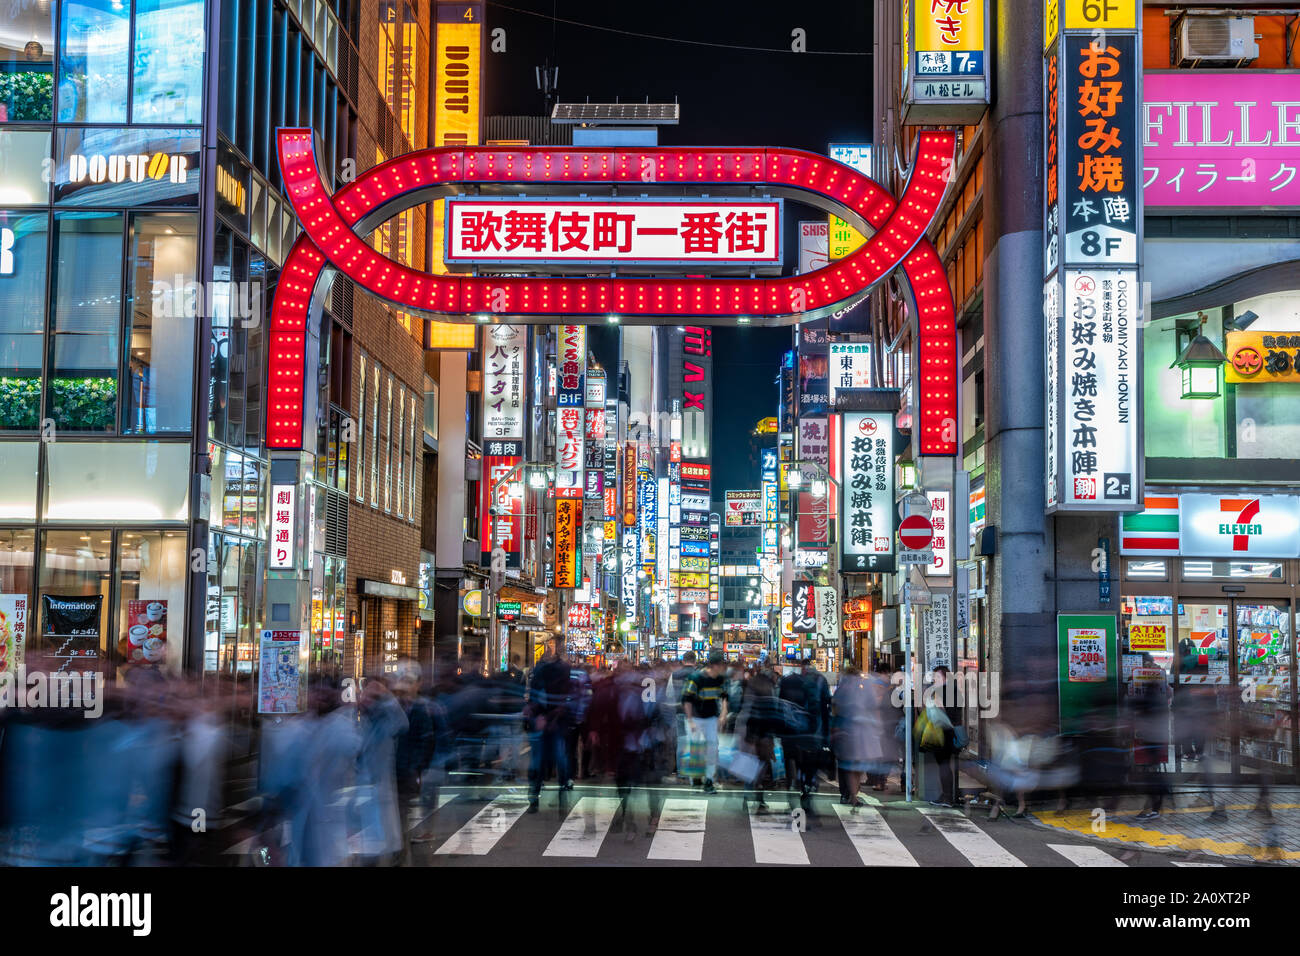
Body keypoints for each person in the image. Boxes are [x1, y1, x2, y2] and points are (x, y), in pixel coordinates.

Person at [525, 639, 572, 812]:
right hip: (547, 719)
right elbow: (536, 695)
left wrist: (542, 715)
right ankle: (538, 795)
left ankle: (544, 794)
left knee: (551, 758)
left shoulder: (558, 669)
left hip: (551, 720)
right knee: (544, 759)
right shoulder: (547, 669)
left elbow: (563, 696)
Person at [681, 650, 729, 793]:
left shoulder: (720, 679)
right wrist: (690, 721)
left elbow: (724, 696)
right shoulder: (696, 678)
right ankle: (695, 777)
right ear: (715, 665)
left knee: (713, 747)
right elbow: (687, 700)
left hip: (710, 718)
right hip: (695, 717)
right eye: (722, 664)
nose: (724, 667)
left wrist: (723, 713)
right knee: (695, 748)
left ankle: (709, 780)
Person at [666, 651, 698, 780]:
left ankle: (681, 772)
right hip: (695, 713)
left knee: (681, 742)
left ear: (683, 661)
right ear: (695, 661)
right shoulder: (699, 675)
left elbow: (669, 694)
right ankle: (694, 771)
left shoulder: (674, 675)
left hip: (679, 711)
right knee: (695, 742)